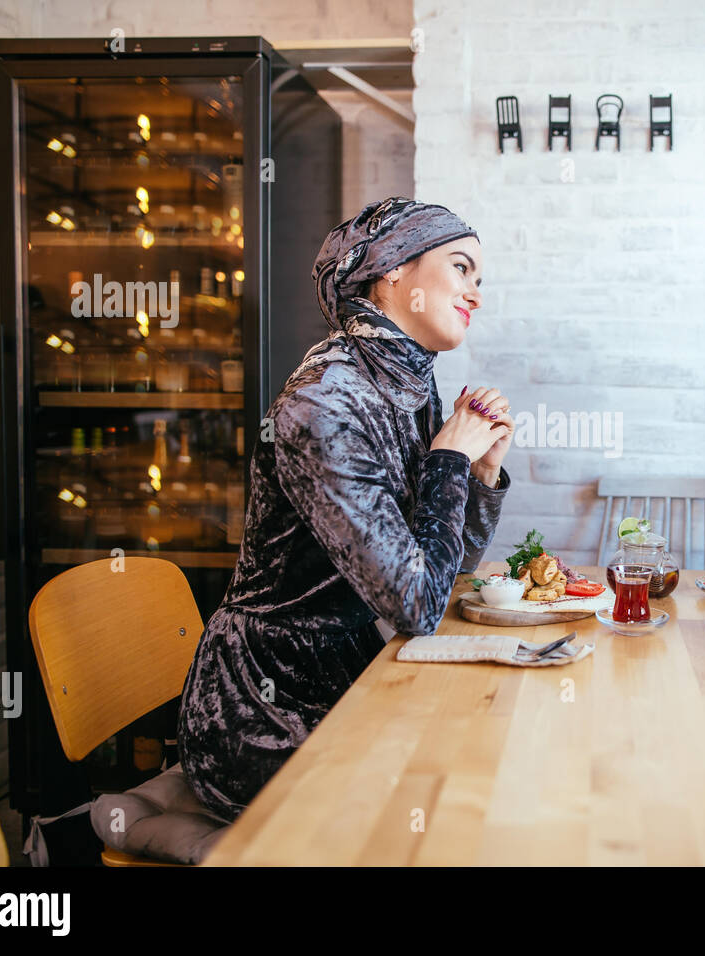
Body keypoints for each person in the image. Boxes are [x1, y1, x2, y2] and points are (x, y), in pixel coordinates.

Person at [178, 197, 514, 820]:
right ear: (393, 274)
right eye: (461, 268)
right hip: (262, 713)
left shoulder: (405, 383)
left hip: (351, 678)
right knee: (452, 806)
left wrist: (478, 474)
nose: (476, 293)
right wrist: (445, 462)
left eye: (480, 279)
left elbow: (441, 576)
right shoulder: (326, 403)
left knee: (487, 764)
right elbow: (416, 607)